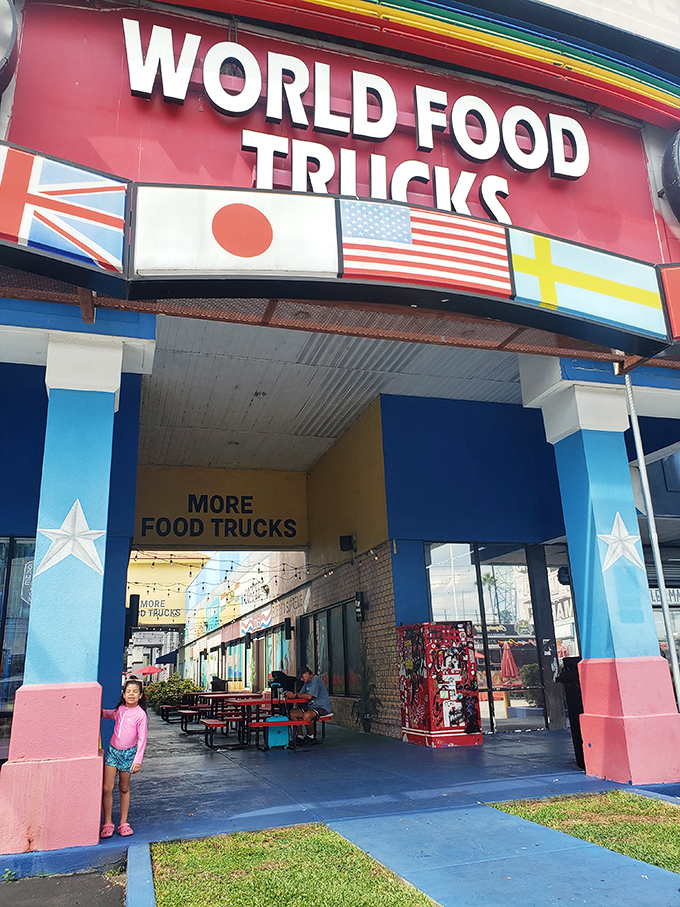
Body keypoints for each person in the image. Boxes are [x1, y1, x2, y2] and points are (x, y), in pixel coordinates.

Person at [100, 678, 148, 838]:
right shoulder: (120, 709)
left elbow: (142, 739)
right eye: (129, 691)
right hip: (113, 752)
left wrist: (137, 760)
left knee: (124, 788)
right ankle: (107, 823)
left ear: (140, 695)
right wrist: (99, 712)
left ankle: (123, 823)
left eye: (135, 691)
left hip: (129, 755)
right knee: (107, 788)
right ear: (124, 694)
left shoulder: (141, 715)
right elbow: (110, 714)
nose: (132, 694)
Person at [288, 665, 331, 745]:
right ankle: (300, 736)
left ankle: (310, 736)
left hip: (322, 707)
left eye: (302, 677)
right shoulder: (306, 682)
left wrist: (295, 696)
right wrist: (292, 695)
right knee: (292, 713)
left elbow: (309, 696)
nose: (301, 679)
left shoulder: (316, 680)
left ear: (307, 674)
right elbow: (301, 694)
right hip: (311, 706)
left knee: (307, 716)